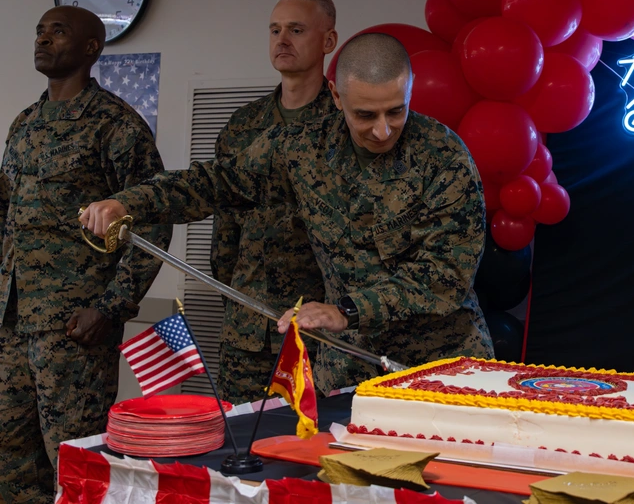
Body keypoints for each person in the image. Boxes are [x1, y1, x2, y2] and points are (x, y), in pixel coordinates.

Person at [81, 32, 493, 388]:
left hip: (437, 365)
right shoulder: (301, 147)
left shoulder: (444, 158)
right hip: (348, 367)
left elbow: (444, 278)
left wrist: (346, 310)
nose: (382, 129)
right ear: (335, 96)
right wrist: (129, 201)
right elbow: (217, 182)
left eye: (396, 111)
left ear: (410, 91)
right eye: (364, 115)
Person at [0, 6, 171, 504]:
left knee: (75, 464)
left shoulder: (114, 124)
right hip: (13, 323)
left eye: (58, 31)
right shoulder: (24, 124)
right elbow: (10, 216)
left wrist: (112, 306)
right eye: (39, 31)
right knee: (11, 458)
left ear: (92, 47)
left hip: (73, 328)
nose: (43, 39)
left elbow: (153, 219)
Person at [211, 0, 337, 404]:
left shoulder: (345, 120)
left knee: (311, 448)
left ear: (328, 42)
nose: (282, 40)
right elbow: (224, 228)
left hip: (319, 334)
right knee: (237, 448)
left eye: (296, 30)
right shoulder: (244, 124)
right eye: (275, 30)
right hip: (247, 329)